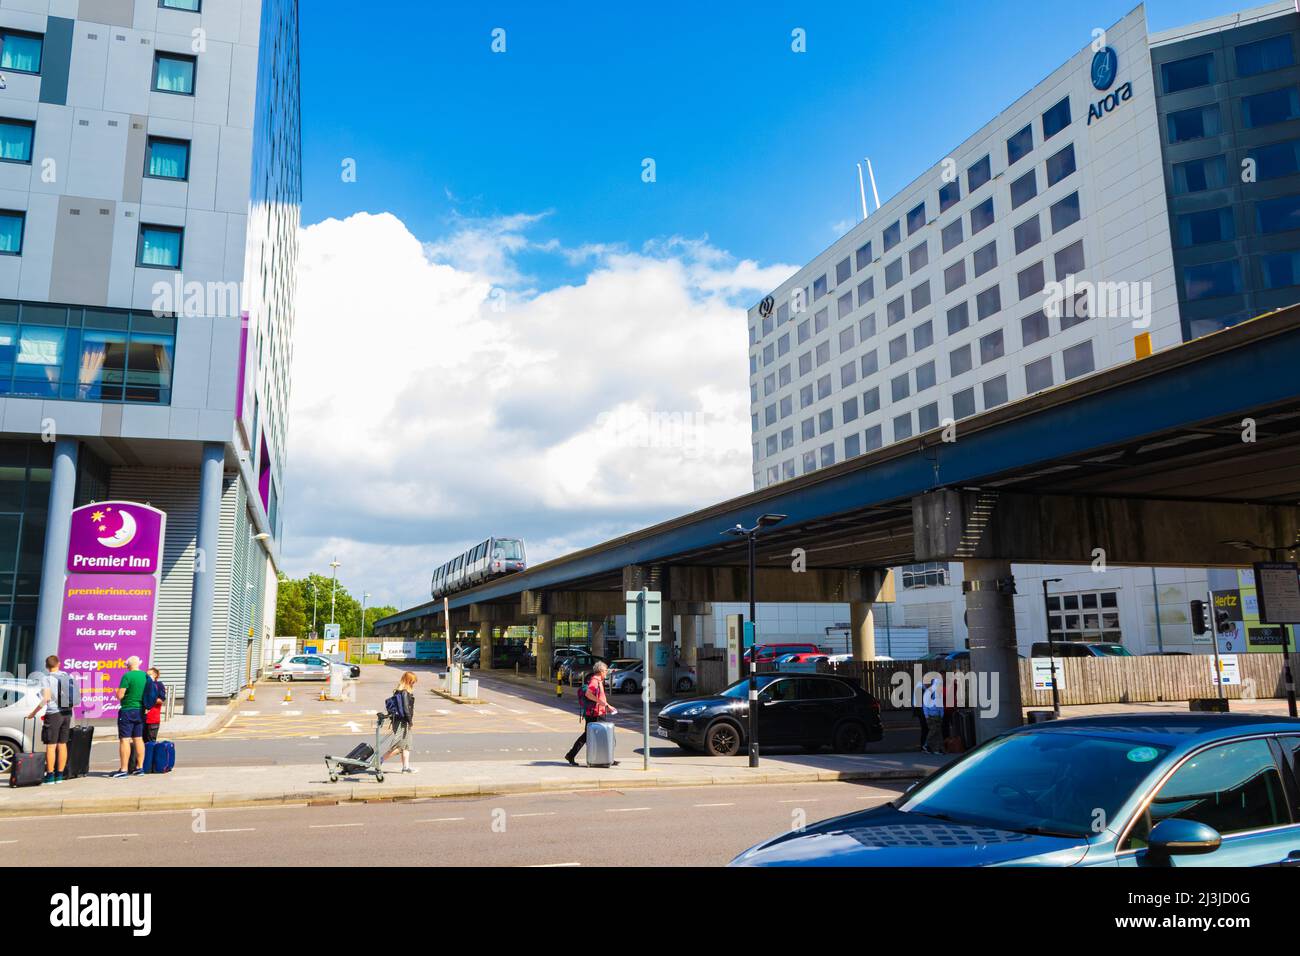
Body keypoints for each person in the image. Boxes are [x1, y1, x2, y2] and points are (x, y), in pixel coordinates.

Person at [26, 655, 73, 785]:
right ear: (59, 663)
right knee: (62, 744)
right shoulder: (67, 675)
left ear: (46, 666)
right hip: (67, 713)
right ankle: (60, 775)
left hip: (53, 714)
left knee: (51, 746)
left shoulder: (46, 679)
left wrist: (33, 713)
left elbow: (46, 698)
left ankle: (50, 775)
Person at [564, 661, 617, 766]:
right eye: (606, 670)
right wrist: (604, 705)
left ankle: (606, 758)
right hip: (594, 714)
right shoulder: (594, 681)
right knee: (601, 736)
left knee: (595, 736)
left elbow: (601, 698)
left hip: (597, 712)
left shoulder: (598, 681)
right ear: (601, 671)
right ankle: (572, 755)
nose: (607, 672)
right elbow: (589, 694)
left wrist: (607, 706)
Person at [111, 656, 148, 778]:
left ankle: (124, 769)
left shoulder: (127, 676)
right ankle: (140, 767)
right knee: (138, 738)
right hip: (140, 710)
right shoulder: (145, 676)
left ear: (128, 665)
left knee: (125, 739)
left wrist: (116, 692)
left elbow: (120, 695)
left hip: (127, 710)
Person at [381, 671, 418, 774]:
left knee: (407, 745)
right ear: (409, 680)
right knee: (400, 746)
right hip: (403, 722)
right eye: (413, 681)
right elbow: (406, 709)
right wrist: (410, 721)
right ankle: (379, 761)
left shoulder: (398, 691)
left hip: (399, 720)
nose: (414, 683)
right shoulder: (405, 692)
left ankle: (405, 767)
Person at [921, 674, 945, 755]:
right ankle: (926, 745)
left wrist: (941, 715)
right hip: (931, 716)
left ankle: (937, 748)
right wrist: (926, 716)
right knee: (934, 731)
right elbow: (925, 706)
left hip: (937, 716)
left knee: (938, 732)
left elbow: (941, 706)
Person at [142, 667, 166, 743]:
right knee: (141, 742)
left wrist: (148, 700)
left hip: (153, 719)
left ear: (155, 675)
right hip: (142, 718)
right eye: (146, 674)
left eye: (149, 674)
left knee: (151, 742)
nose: (147, 676)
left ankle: (150, 755)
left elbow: (160, 700)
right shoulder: (144, 685)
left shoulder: (159, 685)